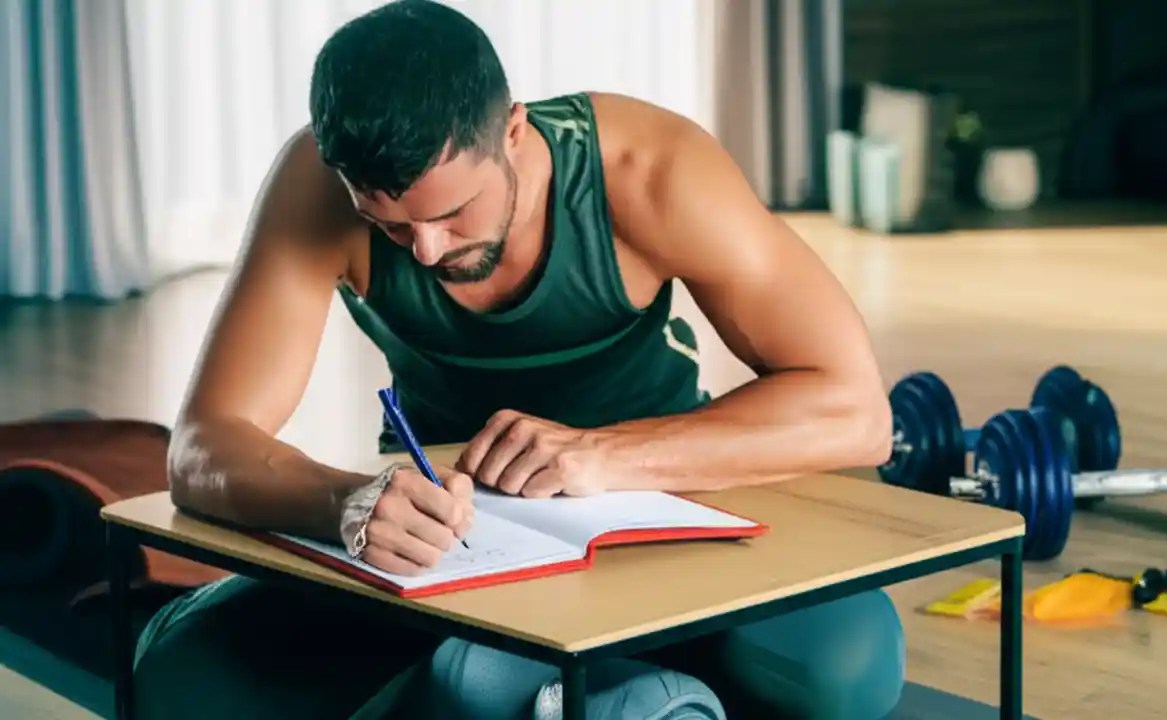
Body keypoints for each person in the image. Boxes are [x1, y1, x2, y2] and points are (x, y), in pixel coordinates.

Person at [134, 1, 903, 718]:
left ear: (512, 131)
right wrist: (345, 504)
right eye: (390, 226)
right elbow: (205, 445)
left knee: (850, 668)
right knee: (183, 669)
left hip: (665, 512)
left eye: (451, 212)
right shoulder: (315, 183)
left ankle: (536, 685)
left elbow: (858, 413)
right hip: (456, 547)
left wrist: (603, 456)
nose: (427, 249)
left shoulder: (650, 169)